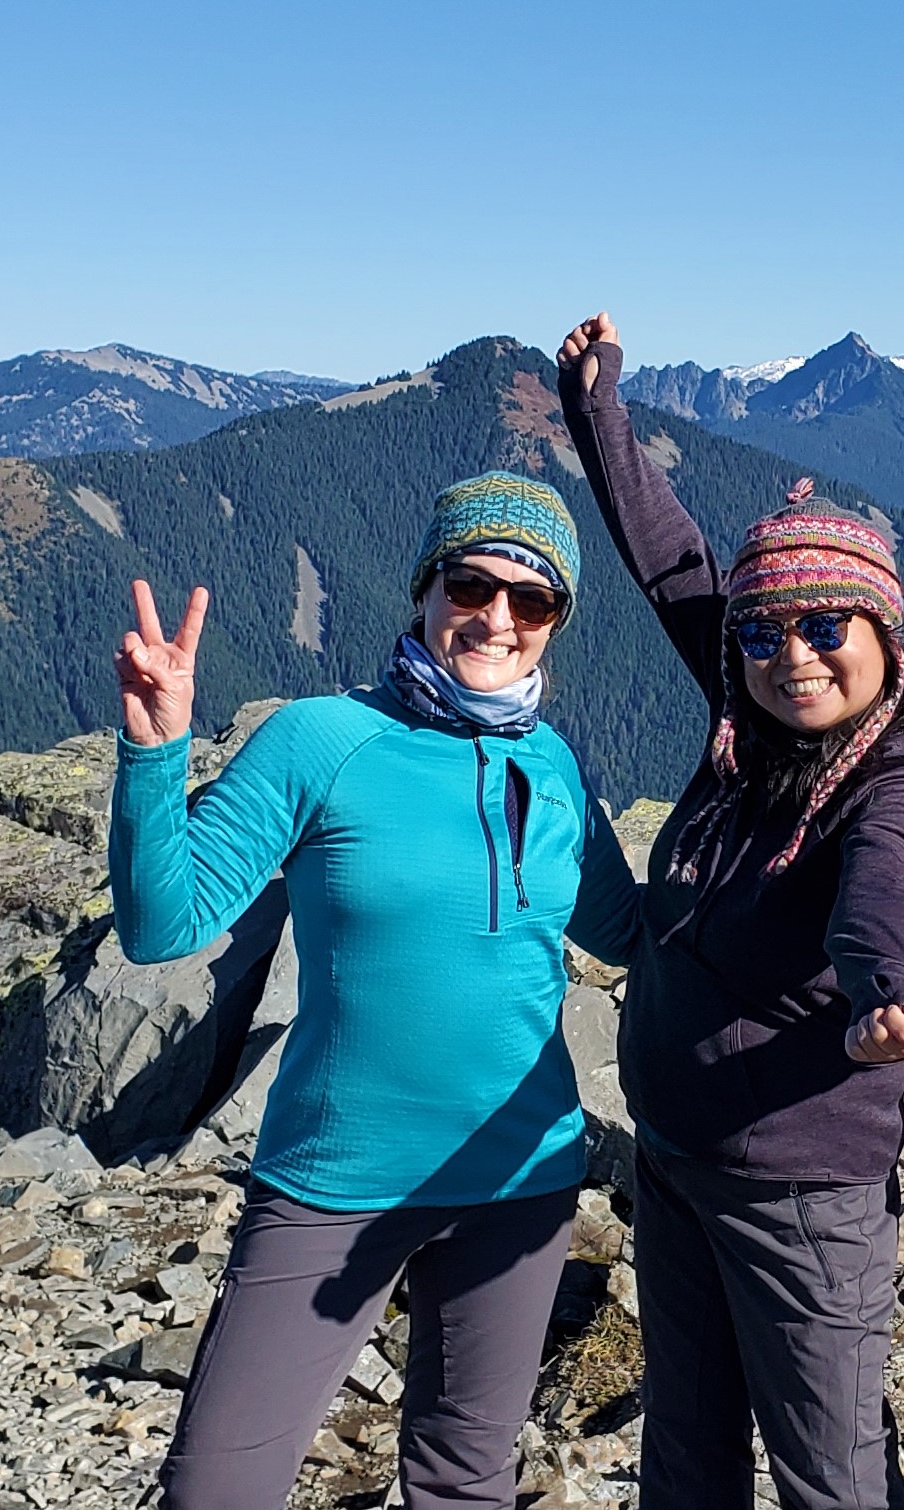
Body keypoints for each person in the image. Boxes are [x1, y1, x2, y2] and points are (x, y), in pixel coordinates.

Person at [107, 471, 642, 1510]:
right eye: (470, 583)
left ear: (556, 621)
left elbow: (629, 929)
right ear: (424, 588)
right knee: (216, 1487)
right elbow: (160, 923)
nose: (496, 616)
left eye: (530, 601)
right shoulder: (319, 740)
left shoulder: (555, 766)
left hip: (520, 1178)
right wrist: (153, 746)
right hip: (332, 1178)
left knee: (463, 1481)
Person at [554, 312, 904, 1510]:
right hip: (677, 1159)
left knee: (829, 1475)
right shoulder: (746, 716)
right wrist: (596, 406)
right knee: (683, 1457)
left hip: (799, 1192)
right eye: (762, 630)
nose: (791, 653)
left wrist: (887, 983)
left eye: (823, 626)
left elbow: (880, 890)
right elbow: (674, 565)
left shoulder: (897, 777)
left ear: (881, 632)